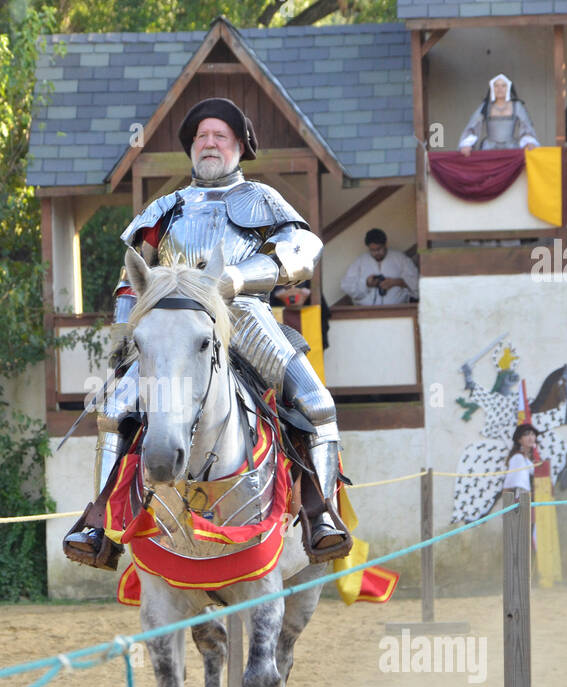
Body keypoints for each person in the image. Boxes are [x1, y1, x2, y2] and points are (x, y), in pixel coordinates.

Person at [63, 96, 352, 566]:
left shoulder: (262, 198)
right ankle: (101, 524)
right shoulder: (166, 208)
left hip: (245, 317)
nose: (209, 144)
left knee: (317, 404)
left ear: (239, 146)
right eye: (201, 137)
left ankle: (322, 516)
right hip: (172, 325)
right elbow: (130, 278)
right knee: (115, 409)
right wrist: (123, 337)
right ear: (191, 149)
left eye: (220, 136)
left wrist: (237, 278)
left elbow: (302, 250)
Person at [459, 74, 539, 154]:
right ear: (492, 88)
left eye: (503, 86)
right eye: (496, 86)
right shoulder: (485, 106)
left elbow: (526, 127)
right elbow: (473, 125)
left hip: (511, 148)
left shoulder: (517, 106)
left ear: (508, 88)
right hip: (488, 149)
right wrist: (466, 144)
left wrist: (529, 142)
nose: (499, 89)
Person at [339, 229, 419, 305]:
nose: (376, 253)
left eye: (379, 249)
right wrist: (366, 283)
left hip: (398, 311)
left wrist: (397, 282)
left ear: (385, 244)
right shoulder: (360, 261)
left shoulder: (400, 258)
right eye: (372, 250)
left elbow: (417, 283)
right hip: (367, 313)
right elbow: (346, 286)